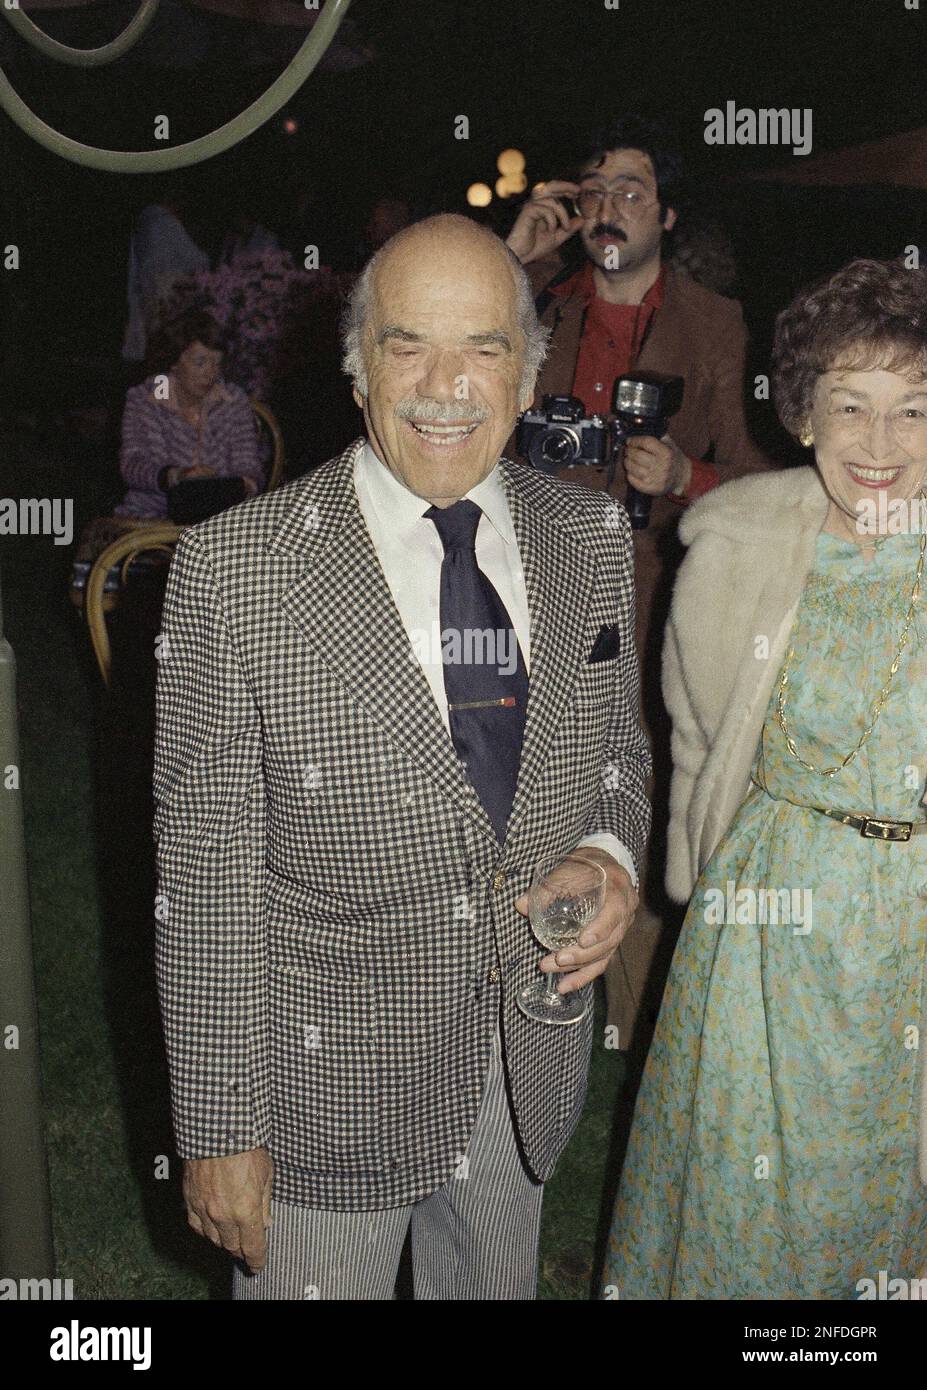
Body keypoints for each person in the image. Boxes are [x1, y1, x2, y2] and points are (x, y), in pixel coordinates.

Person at [153, 214, 652, 1300]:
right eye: (405, 344)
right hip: (322, 1104)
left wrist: (609, 855)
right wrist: (219, 1127)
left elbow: (619, 744)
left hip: (524, 1065)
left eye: (482, 347)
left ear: (527, 376)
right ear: (354, 363)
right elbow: (204, 880)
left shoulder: (593, 539)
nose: (444, 384)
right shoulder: (233, 572)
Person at [604, 257, 927, 1299]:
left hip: (915, 932)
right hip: (772, 927)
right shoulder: (738, 548)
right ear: (802, 414)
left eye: (913, 411)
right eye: (851, 407)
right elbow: (696, 737)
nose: (880, 446)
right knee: (755, 1205)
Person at [505, 114, 773, 1079]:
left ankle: (641, 1042)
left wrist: (684, 479)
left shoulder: (716, 324)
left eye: (629, 190)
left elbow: (756, 476)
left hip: (658, 612)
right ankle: (529, 1002)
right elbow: (446, 402)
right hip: (533, 601)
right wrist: (512, 256)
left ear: (663, 210)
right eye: (593, 190)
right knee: (529, 798)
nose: (608, 208)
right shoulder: (532, 305)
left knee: (646, 810)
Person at [114, 309, 263, 519]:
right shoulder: (146, 398)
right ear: (174, 362)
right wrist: (175, 476)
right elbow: (132, 465)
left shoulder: (233, 400)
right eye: (200, 362)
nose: (211, 372)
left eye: (217, 363)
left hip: (219, 519)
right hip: (151, 517)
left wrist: (244, 485)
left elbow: (248, 464)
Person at [121, 193, 211, 366]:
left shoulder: (145, 224)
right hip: (168, 300)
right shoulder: (164, 223)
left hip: (149, 295)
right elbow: (194, 261)